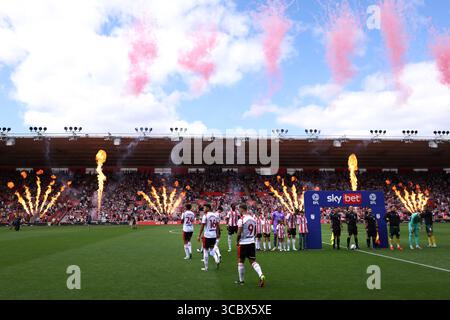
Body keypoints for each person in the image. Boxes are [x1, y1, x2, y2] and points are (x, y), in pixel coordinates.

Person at [235, 204, 265, 287]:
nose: (239, 211)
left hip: (243, 243)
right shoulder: (252, 219)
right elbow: (255, 231)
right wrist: (251, 237)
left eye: (239, 209)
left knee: (240, 261)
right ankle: (261, 275)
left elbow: (239, 232)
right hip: (251, 242)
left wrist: (237, 241)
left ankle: (241, 281)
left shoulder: (241, 219)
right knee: (253, 261)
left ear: (242, 209)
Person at [197, 204, 221, 271]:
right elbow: (217, 225)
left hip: (207, 236)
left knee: (205, 251)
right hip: (213, 235)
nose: (203, 209)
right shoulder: (215, 215)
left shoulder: (205, 216)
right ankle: (217, 260)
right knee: (212, 250)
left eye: (204, 208)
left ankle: (206, 268)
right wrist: (218, 233)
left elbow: (202, 226)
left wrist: (199, 235)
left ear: (208, 208)